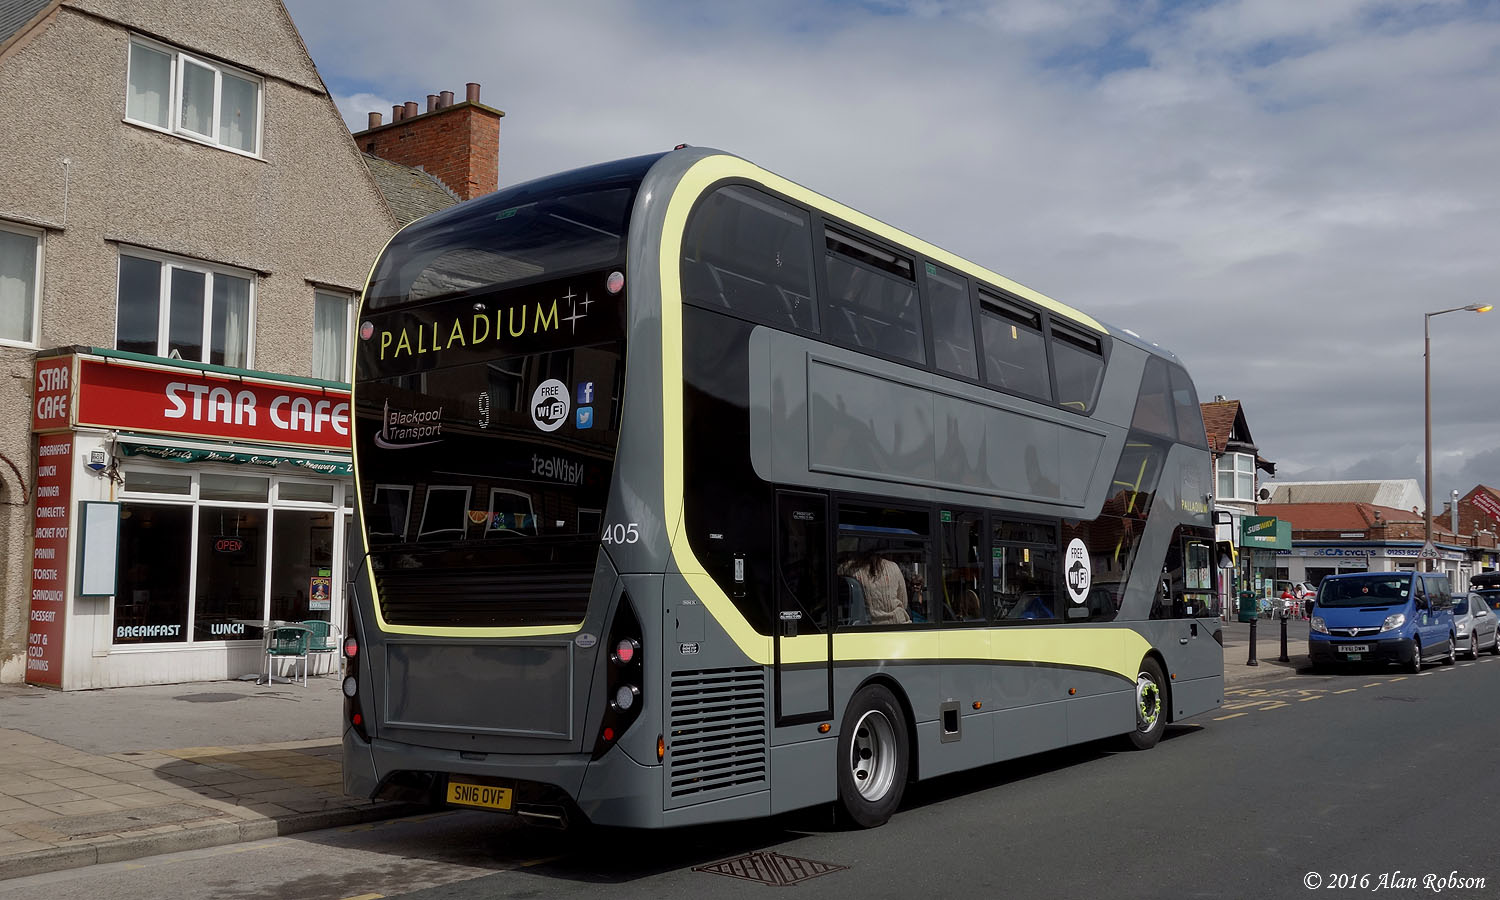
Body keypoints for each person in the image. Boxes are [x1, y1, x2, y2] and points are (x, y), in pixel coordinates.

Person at [839, 551, 912, 625]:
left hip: (867, 625)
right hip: (899, 624)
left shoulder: (847, 568)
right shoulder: (893, 567)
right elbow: (904, 602)